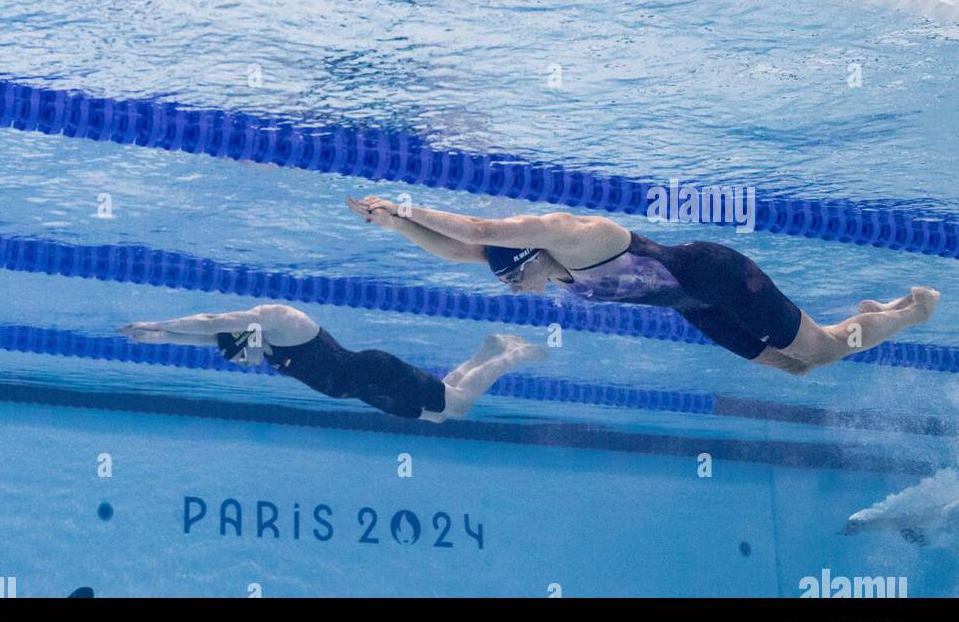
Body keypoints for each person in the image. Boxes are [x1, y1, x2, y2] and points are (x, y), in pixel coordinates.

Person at [345, 195, 940, 376]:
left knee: (821, 351)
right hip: (692, 304)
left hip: (715, 274)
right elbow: (458, 251)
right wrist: (396, 226)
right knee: (795, 367)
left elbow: (476, 227)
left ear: (531, 255)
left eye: (513, 276)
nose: (514, 288)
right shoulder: (540, 263)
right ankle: (877, 311)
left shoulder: (576, 237)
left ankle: (907, 312)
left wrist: (407, 203)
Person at [119, 303, 546, 422]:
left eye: (245, 357)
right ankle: (486, 350)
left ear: (245, 335)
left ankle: (511, 355)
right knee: (437, 416)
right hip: (359, 389)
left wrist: (157, 320)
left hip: (374, 371)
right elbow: (206, 337)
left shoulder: (282, 322)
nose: (250, 364)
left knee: (457, 406)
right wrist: (156, 336)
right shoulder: (258, 343)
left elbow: (212, 321)